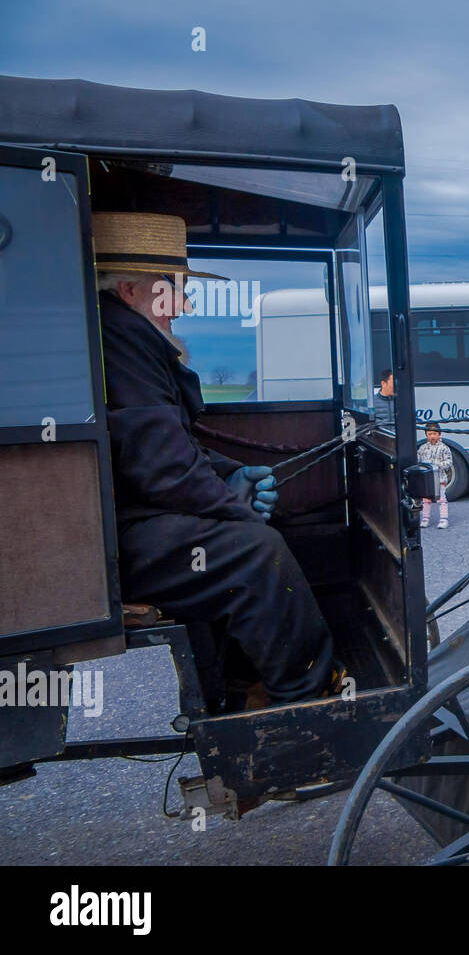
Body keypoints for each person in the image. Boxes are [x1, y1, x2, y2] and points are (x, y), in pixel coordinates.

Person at [93, 212, 339, 706]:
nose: (181, 306)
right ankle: (305, 704)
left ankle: (238, 689)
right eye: (173, 289)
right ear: (130, 290)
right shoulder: (121, 336)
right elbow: (162, 467)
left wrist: (230, 474)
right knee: (254, 550)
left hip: (126, 521)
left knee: (252, 536)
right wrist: (236, 506)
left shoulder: (124, 334)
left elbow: (167, 444)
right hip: (117, 539)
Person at [417, 422, 453, 529]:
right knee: (425, 499)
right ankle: (425, 518)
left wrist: (437, 466)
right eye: (429, 434)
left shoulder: (444, 448)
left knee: (441, 499)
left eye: (434, 434)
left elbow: (449, 462)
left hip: (439, 478)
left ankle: (443, 519)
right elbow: (418, 460)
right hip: (426, 479)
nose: (432, 436)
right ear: (426, 435)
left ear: (439, 434)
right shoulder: (422, 448)